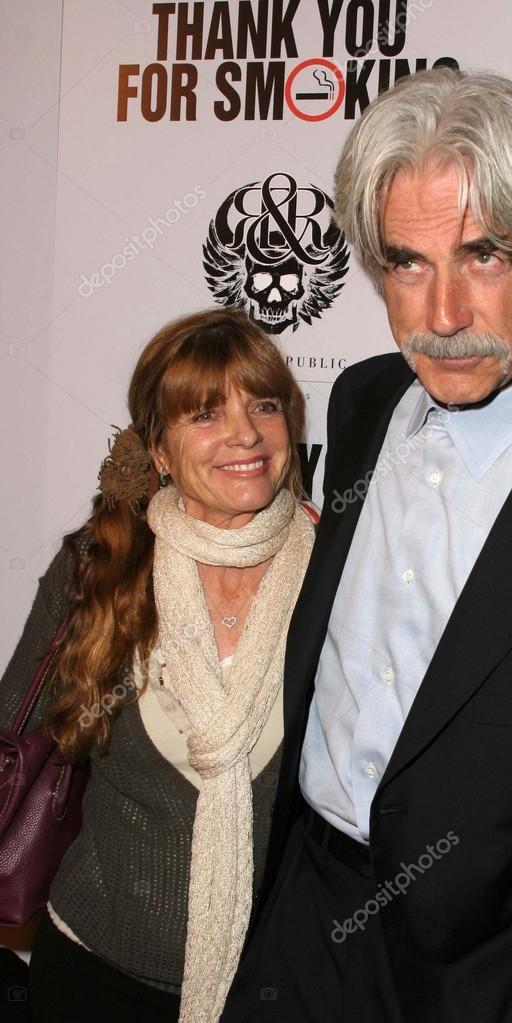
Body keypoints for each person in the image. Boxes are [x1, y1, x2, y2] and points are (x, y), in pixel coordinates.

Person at [221, 68, 512, 1021]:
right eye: (407, 263)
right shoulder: (360, 401)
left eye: (484, 256)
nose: (440, 318)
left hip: (503, 975)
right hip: (302, 919)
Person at [0, 307, 317, 1023]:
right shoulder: (101, 566)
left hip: (274, 983)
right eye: (205, 413)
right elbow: (10, 732)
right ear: (161, 451)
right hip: (88, 975)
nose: (245, 434)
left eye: (263, 404)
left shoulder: (337, 572)